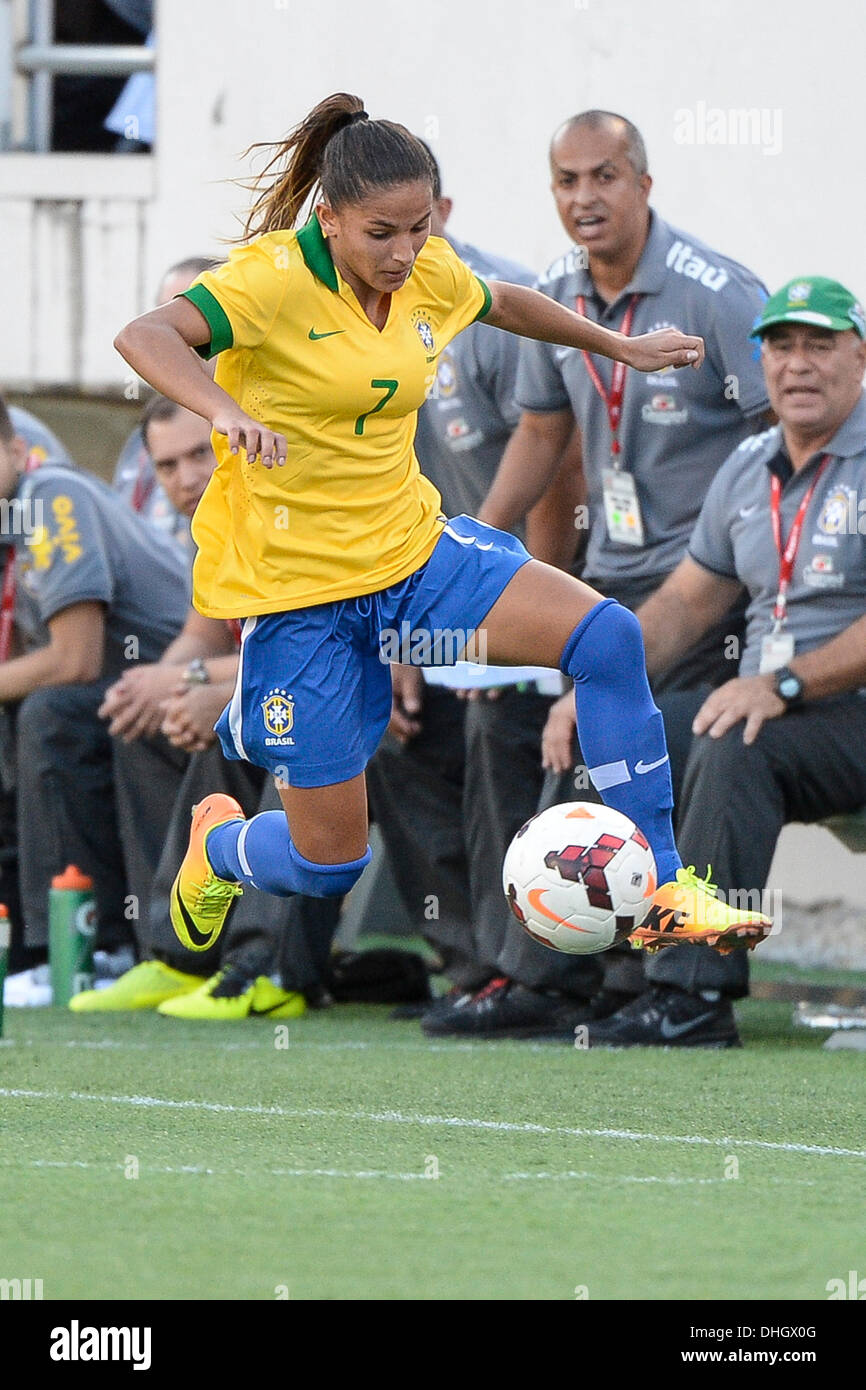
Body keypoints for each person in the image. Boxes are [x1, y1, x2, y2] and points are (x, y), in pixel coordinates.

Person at [112, 92, 771, 966]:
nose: (404, 252)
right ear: (330, 217)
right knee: (328, 861)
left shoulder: (424, 270)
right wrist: (225, 409)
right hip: (298, 599)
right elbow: (145, 335)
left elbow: (502, 301)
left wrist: (617, 347)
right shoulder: (269, 280)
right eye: (381, 233)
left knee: (606, 638)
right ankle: (221, 848)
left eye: (419, 228)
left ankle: (660, 883)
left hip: (411, 561)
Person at [441, 108, 771, 1038]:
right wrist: (481, 541)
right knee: (502, 715)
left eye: (604, 177)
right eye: (566, 181)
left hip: (709, 601)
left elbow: (782, 438)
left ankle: (619, 978)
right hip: (608, 579)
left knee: (614, 731)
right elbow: (543, 430)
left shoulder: (717, 296)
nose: (584, 198)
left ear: (644, 185)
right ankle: (549, 970)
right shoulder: (552, 293)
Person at [581, 276, 866, 1046]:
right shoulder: (748, 464)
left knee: (734, 743)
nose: (798, 364)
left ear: (860, 356)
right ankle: (606, 979)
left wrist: (783, 683)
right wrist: (599, 681)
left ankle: (695, 994)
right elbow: (685, 604)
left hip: (844, 708)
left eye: (820, 344)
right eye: (781, 346)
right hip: (778, 700)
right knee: (608, 734)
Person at [0, 391, 190, 1001]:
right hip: (132, 684)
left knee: (51, 715)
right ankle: (37, 940)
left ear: (18, 450)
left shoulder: (48, 496)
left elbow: (74, 660)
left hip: (186, 678)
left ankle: (89, 944)